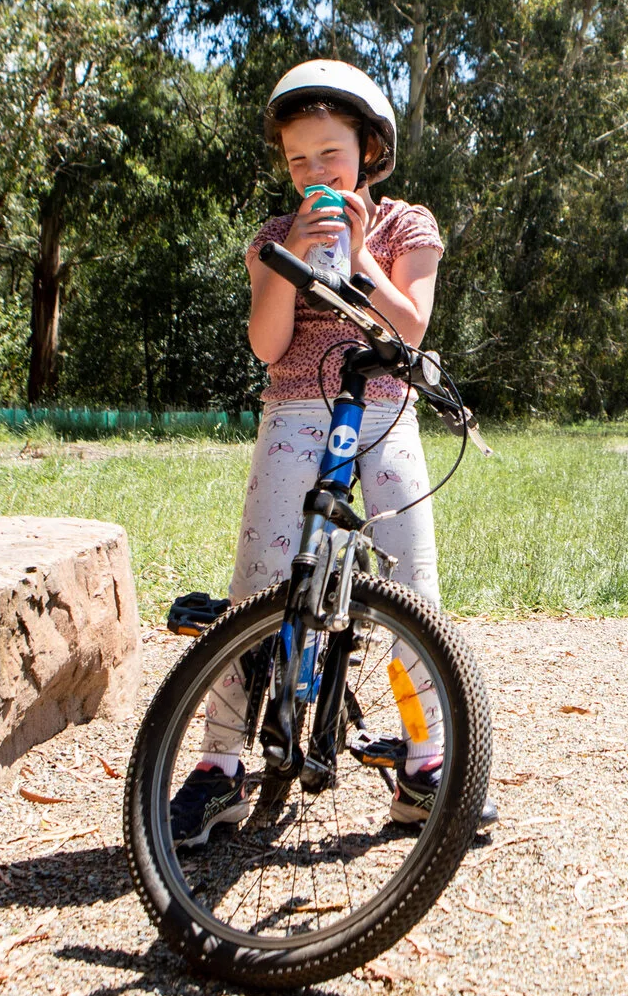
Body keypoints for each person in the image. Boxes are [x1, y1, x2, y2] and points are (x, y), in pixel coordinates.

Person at [169, 59, 493, 839]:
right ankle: (220, 764)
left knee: (412, 585)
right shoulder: (273, 236)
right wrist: (288, 260)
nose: (314, 172)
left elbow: (410, 327)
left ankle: (425, 763)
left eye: (331, 155)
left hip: (382, 405)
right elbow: (266, 340)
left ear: (370, 152)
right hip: (293, 409)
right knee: (258, 586)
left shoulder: (405, 226)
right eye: (298, 160)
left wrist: (359, 259)